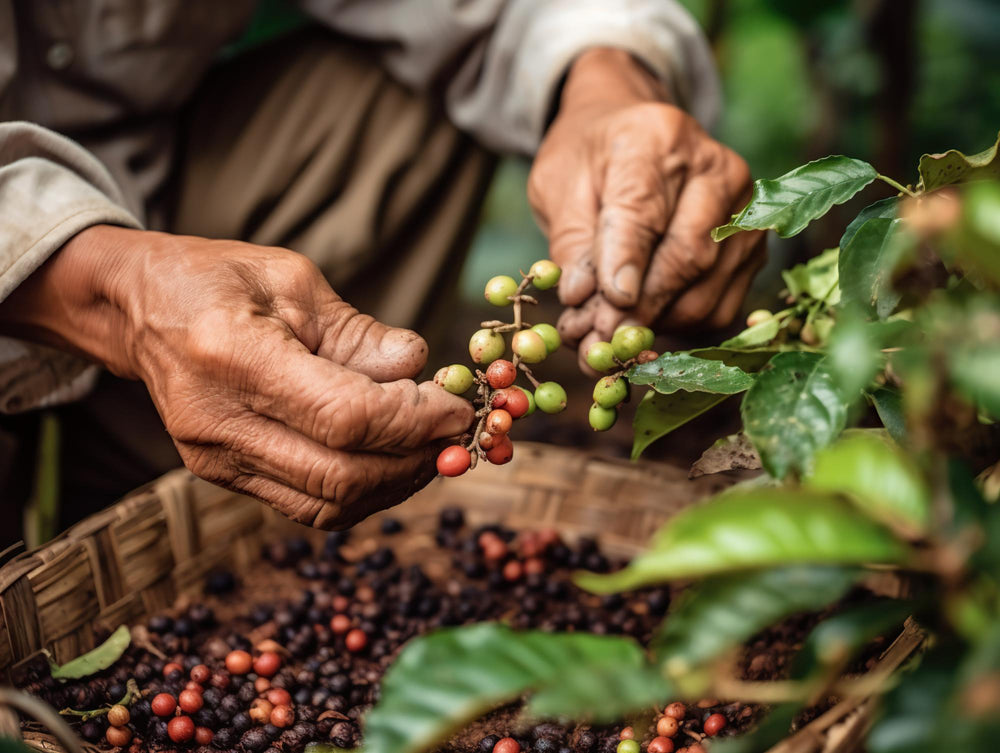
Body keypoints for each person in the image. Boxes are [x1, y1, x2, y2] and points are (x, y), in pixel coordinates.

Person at [0, 1, 764, 533]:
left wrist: (606, 83)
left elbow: (498, 9)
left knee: (415, 83)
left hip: (156, 173)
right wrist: (113, 287)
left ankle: (184, 491)